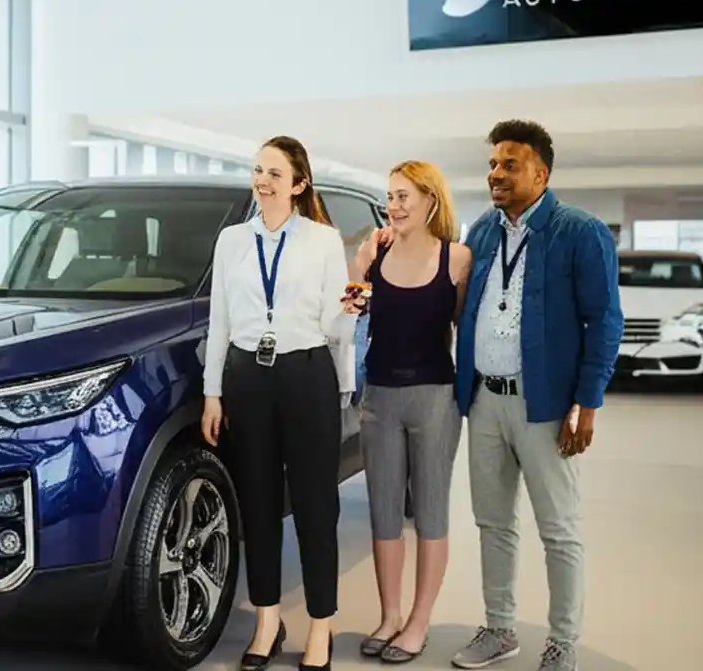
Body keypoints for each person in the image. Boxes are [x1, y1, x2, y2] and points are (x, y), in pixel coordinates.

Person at [449, 120, 623, 671]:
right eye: (494, 163)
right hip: (484, 402)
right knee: (493, 523)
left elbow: (606, 321)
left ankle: (562, 642)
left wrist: (586, 402)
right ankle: (500, 630)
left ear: (541, 172)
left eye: (510, 164)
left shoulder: (580, 231)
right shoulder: (482, 230)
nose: (496, 173)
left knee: (559, 529)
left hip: (545, 405)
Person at [202, 135, 356, 671]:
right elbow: (219, 321)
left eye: (273, 172)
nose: (262, 179)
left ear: (298, 184)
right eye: (258, 170)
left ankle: (321, 626)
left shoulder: (322, 241)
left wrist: (352, 310)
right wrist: (212, 392)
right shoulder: (231, 242)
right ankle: (267, 619)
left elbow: (335, 327)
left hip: (306, 374)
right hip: (247, 378)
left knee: (316, 507)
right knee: (258, 506)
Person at [342, 160, 471, 664]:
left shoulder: (457, 259)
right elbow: (352, 320)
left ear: (430, 201)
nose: (393, 206)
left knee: (431, 514)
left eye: (403, 196)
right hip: (380, 398)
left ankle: (419, 622)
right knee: (384, 513)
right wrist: (359, 269)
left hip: (435, 398)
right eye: (390, 196)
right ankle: (390, 616)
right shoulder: (376, 255)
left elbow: (465, 331)